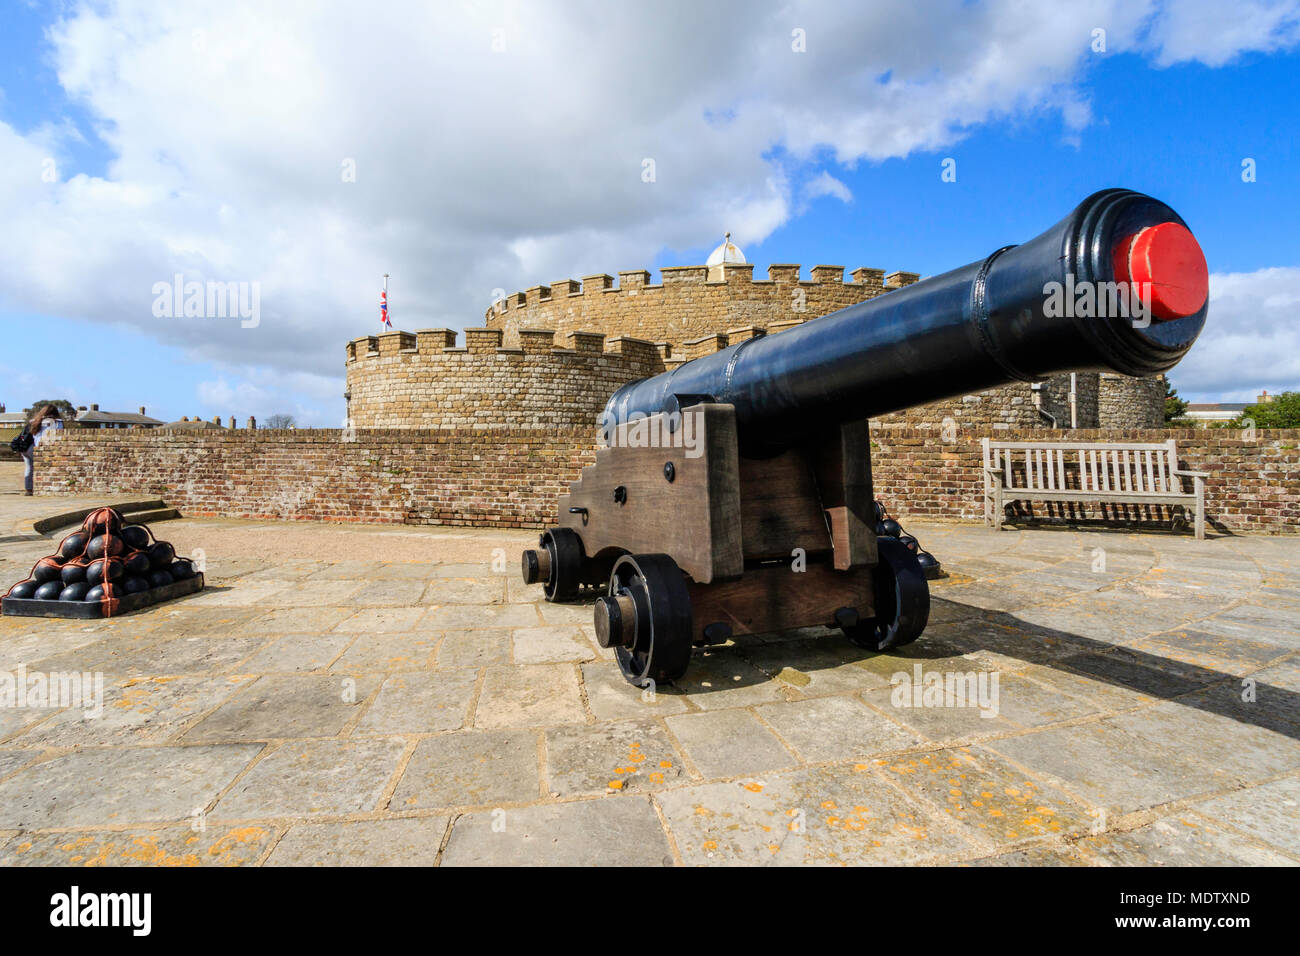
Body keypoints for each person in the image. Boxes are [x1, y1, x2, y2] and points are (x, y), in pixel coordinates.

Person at [21, 404, 63, 496]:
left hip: (26, 448)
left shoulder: (34, 421)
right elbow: (58, 435)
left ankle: (29, 489)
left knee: (29, 467)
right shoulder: (55, 422)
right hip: (40, 448)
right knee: (45, 468)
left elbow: (29, 434)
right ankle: (45, 487)